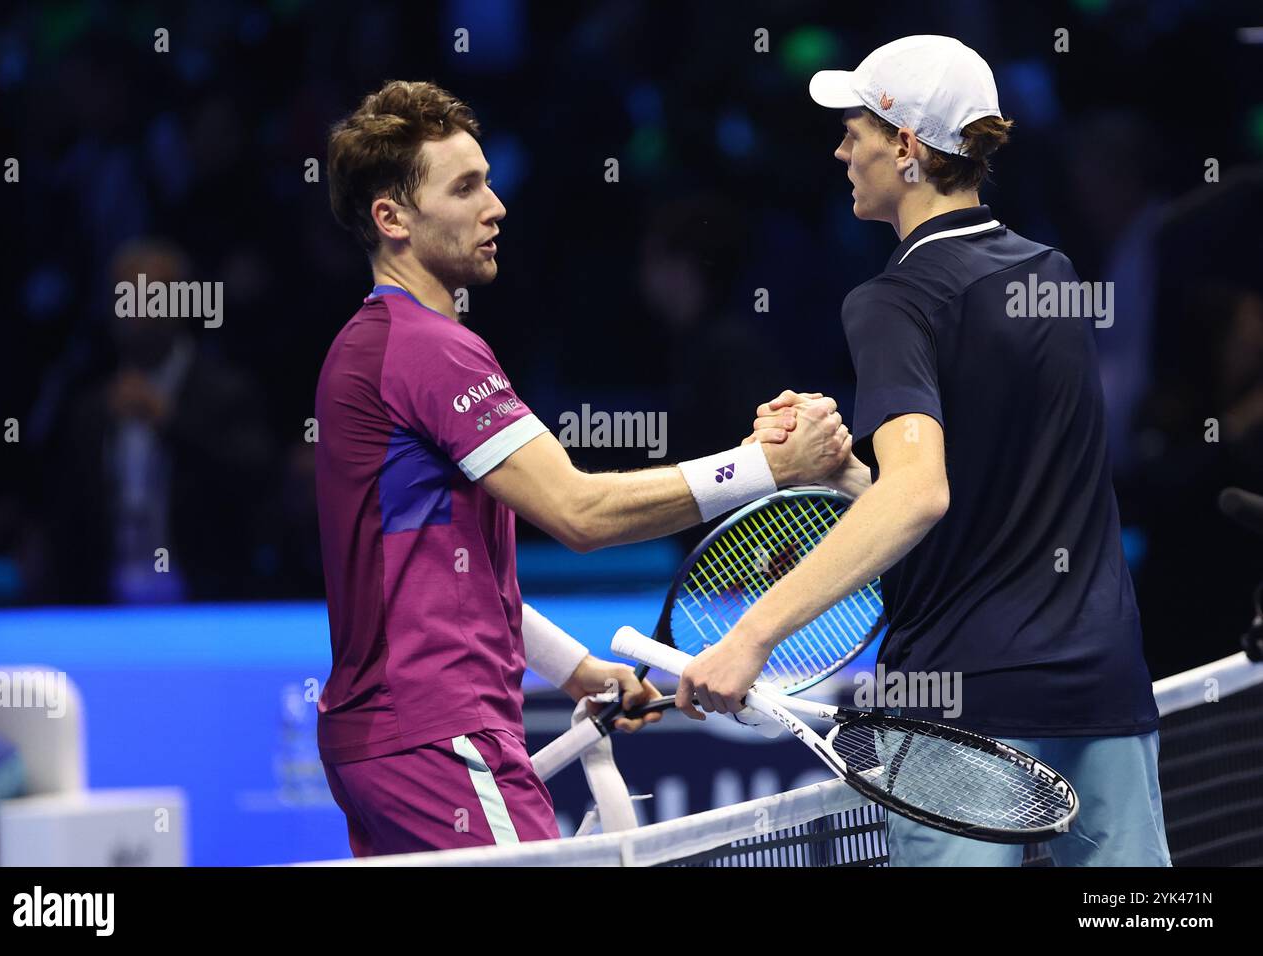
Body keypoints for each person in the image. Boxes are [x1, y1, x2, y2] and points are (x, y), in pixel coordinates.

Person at [318, 80, 851, 856]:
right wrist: (764, 467)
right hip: (441, 737)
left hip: (377, 744)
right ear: (391, 218)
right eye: (465, 188)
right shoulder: (431, 348)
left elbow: (439, 578)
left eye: (489, 181)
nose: (496, 206)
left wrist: (577, 672)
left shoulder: (359, 350)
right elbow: (581, 514)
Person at [674, 36, 1170, 866]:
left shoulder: (894, 300)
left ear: (906, 147)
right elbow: (995, 500)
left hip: (959, 709)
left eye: (854, 130)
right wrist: (849, 473)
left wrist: (749, 636)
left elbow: (922, 496)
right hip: (1104, 684)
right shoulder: (1052, 274)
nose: (841, 150)